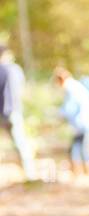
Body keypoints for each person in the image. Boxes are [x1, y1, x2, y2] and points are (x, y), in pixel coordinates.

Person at [54, 67, 89, 177]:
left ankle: (82, 173)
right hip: (85, 121)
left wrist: (57, 114)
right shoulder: (76, 85)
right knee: (79, 147)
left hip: (83, 123)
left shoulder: (70, 88)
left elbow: (69, 108)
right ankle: (83, 173)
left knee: (80, 148)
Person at [0, 45, 36, 181]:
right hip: (14, 111)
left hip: (4, 112)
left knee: (20, 142)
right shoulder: (15, 69)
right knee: (21, 143)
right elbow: (22, 89)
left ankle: (29, 175)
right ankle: (30, 175)